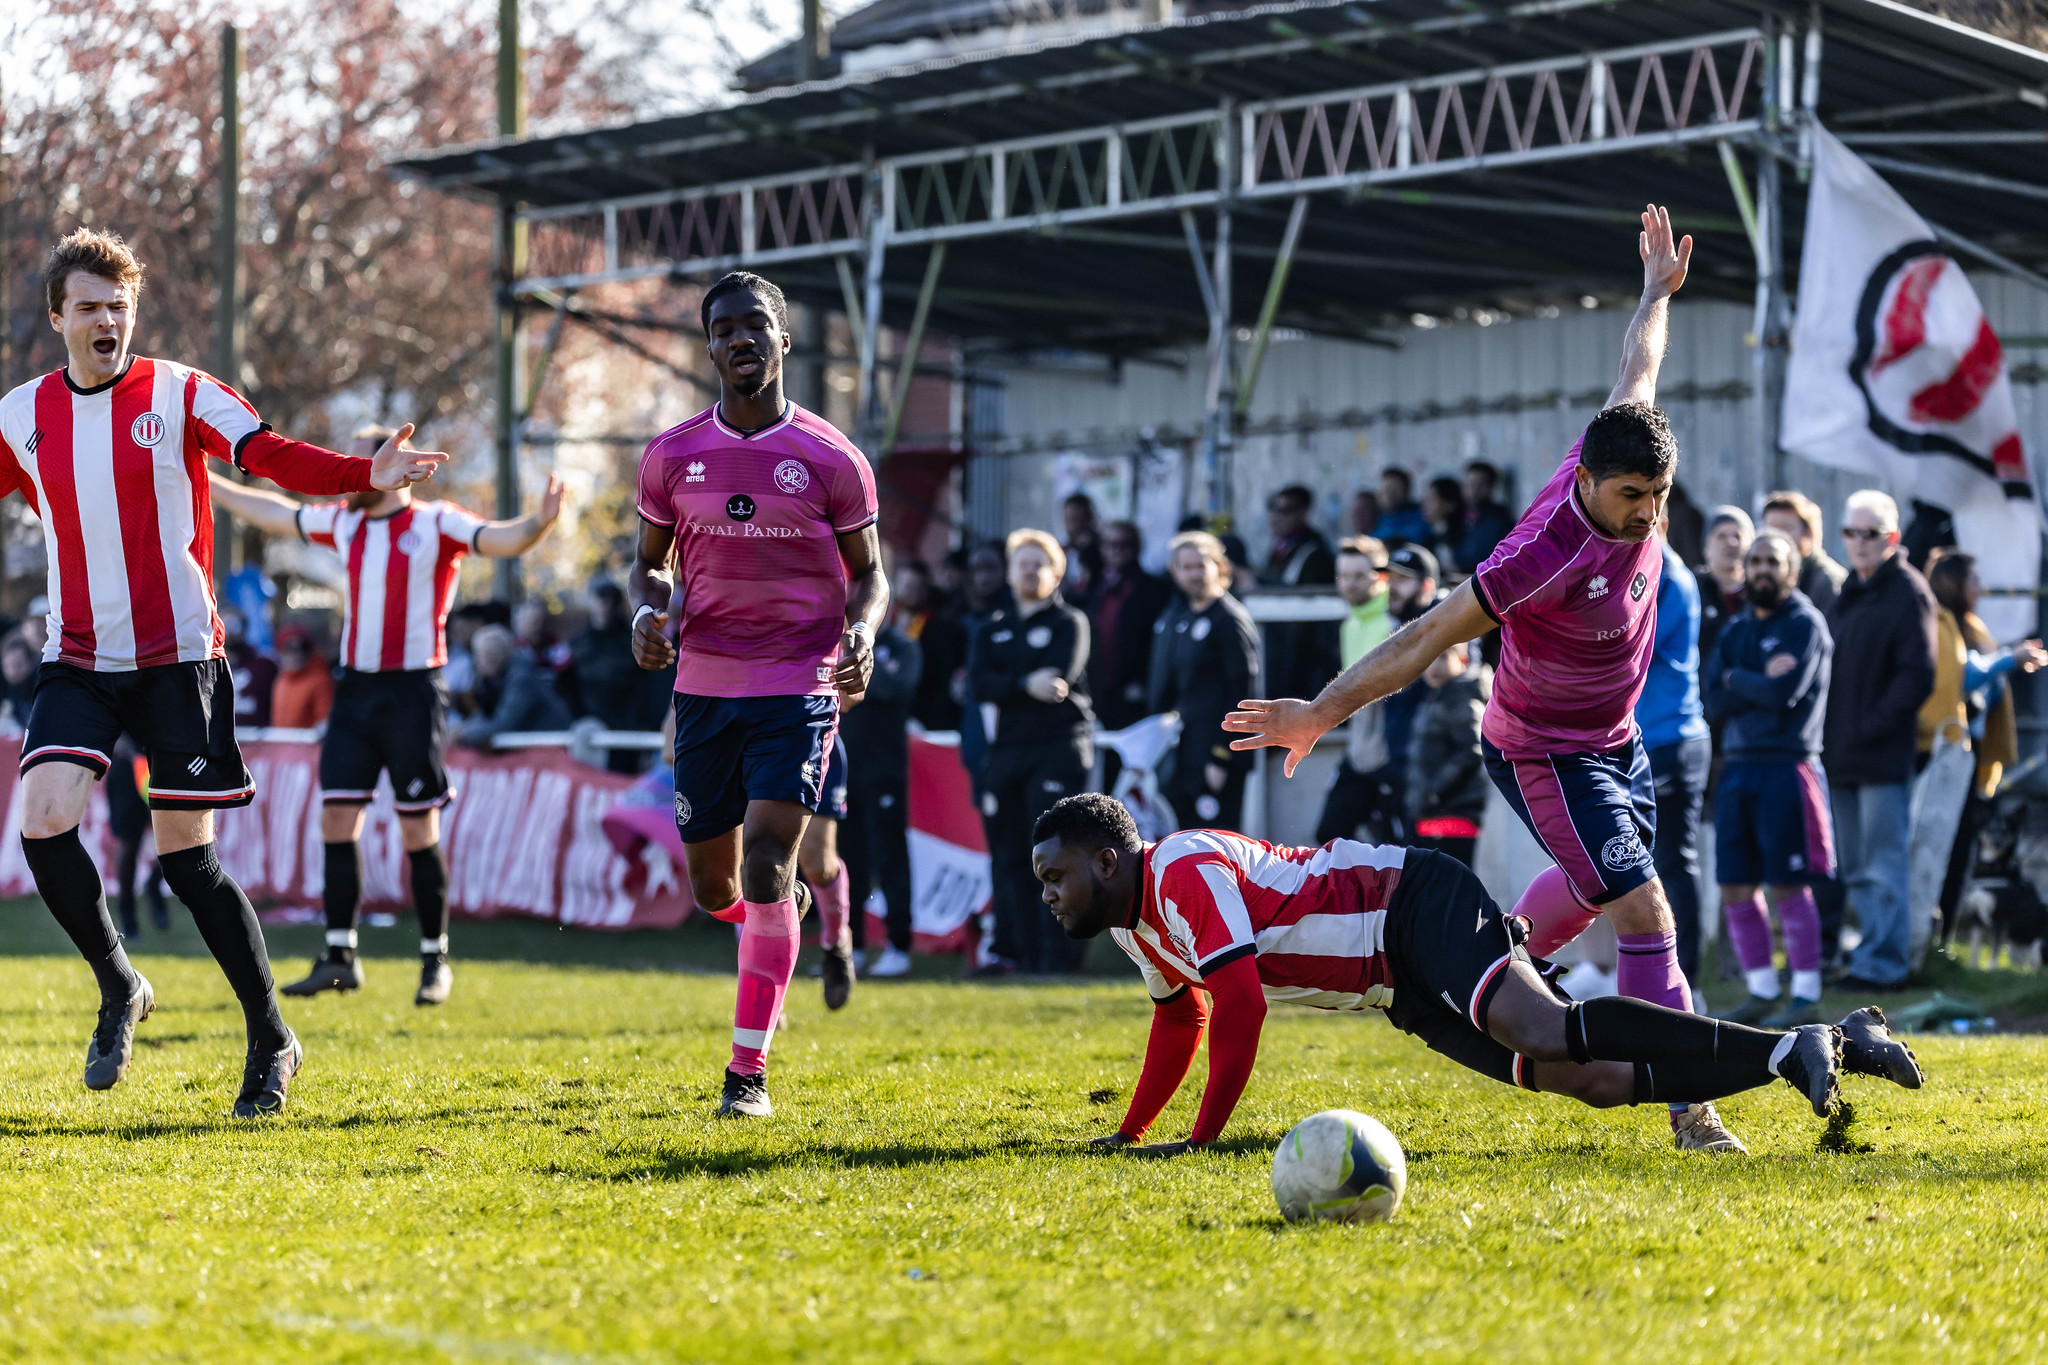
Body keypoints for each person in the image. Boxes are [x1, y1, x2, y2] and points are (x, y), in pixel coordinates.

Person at [1225, 207, 1754, 1152]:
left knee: (1596, 891)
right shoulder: (1538, 555)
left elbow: (1638, 366)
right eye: (1632, 497)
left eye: (1660, 499)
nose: (1648, 516)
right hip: (1544, 750)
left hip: (1617, 739)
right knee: (1644, 902)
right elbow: (1425, 637)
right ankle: (1688, 1099)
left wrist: (1651, 295)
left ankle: (1493, 962)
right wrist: (1322, 710)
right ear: (1587, 479)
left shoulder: (1626, 444)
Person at [0, 226, 448, 1115]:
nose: (107, 320)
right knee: (43, 820)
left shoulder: (183, 392)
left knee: (185, 861)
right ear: (58, 317)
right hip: (80, 657)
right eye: (89, 306)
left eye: (118, 305)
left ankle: (271, 1033)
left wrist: (366, 470)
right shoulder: (20, 416)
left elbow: (272, 454)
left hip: (181, 661)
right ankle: (120, 982)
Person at [1030, 794, 1922, 1155]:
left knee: (1539, 1027)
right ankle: (1824, 1042)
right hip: (1395, 985)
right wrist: (1131, 1131)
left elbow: (1239, 1003)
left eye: (1056, 876)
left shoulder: (1180, 870)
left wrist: (1200, 1141)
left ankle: (1800, 1042)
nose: (1049, 896)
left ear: (1109, 859)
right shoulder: (1138, 925)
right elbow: (1177, 1021)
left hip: (1411, 903)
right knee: (1594, 1081)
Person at [629, 270, 886, 1118]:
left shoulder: (831, 457)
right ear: (709, 346)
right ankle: (777, 919)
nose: (742, 339)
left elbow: (872, 576)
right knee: (715, 888)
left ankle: (748, 1077)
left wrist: (864, 634)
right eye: (725, 328)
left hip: (798, 685)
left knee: (772, 864)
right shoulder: (671, 455)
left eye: (757, 326)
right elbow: (650, 562)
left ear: (783, 340)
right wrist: (648, 609)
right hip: (703, 687)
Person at [210, 439, 565, 1006]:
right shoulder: (347, 523)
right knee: (336, 822)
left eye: (361, 462)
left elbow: (501, 539)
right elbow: (278, 513)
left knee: (417, 829)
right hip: (355, 694)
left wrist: (539, 524)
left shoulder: (436, 523)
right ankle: (339, 958)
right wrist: (210, 482)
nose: (350, 475)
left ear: (395, 467)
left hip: (413, 692)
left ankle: (434, 960)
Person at [1704, 530, 1836, 1028]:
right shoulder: (1735, 630)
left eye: (1772, 561)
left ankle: (1805, 995)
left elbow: (1786, 694)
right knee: (1736, 884)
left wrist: (1739, 678)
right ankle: (1761, 990)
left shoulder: (1806, 625)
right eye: (1754, 560)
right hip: (1737, 768)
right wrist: (1752, 679)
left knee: (1788, 884)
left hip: (1787, 765)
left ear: (1792, 570)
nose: (1760, 569)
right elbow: (1713, 701)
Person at [1825, 490, 1937, 992]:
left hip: (1882, 755)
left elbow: (1919, 677)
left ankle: (1887, 966)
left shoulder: (1908, 591)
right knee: (1854, 866)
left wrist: (1870, 727)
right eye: (1851, 532)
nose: (1860, 543)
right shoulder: (1851, 589)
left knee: (1883, 863)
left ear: (1892, 538)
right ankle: (1870, 957)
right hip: (1841, 756)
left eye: (1870, 534)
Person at [969, 528, 1093, 976]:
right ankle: (1011, 953)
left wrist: (1009, 686)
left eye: (1040, 562)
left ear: (1057, 572)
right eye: (1022, 562)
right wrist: (1023, 684)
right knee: (1007, 855)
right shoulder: (992, 628)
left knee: (1055, 856)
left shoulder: (1070, 623)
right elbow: (978, 683)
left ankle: (1057, 957)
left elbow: (1058, 681)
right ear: (1009, 570)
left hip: (1057, 749)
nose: (1030, 570)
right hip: (1006, 754)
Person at [1919, 549, 2048, 943]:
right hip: (1940, 753)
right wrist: (2009, 660)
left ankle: (1941, 942)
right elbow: (1960, 678)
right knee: (1938, 847)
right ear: (1954, 584)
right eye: (1973, 581)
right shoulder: (1936, 627)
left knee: (1961, 850)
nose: (1980, 589)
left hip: (1970, 752)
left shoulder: (1973, 628)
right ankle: (1927, 936)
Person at [1635, 511, 1711, 986]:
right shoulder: (1652, 574)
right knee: (1642, 862)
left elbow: (1629, 643)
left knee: (1673, 862)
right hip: (1648, 738)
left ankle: (1689, 981)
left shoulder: (1670, 578)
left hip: (1672, 739)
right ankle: (1655, 974)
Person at [826, 615, 922, 983]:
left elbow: (898, 687)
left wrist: (853, 668)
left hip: (885, 773)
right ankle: (852, 946)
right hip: (843, 772)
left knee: (890, 858)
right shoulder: (831, 646)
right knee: (848, 863)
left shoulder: (903, 647)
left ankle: (899, 946)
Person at [1151, 531, 1260, 835]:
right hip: (1185, 753)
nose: (1194, 574)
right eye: (1186, 567)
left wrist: (1221, 757)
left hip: (1216, 757)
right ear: (1175, 572)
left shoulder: (1230, 618)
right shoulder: (1180, 618)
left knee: (1218, 846)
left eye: (1201, 565)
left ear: (1219, 567)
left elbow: (1243, 693)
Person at [1314, 537, 1401, 845]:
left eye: (1358, 576)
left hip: (1391, 750)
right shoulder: (1349, 623)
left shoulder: (1395, 620)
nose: (1348, 584)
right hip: (1360, 747)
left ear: (1380, 577)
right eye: (1343, 576)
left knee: (1397, 845)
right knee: (1330, 834)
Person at [561, 581, 663, 772]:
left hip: (628, 736)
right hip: (588, 733)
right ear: (591, 602)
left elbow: (647, 690)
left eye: (611, 599)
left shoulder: (636, 643)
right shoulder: (577, 645)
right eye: (601, 597)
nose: (605, 604)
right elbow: (567, 688)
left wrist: (644, 733)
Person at [1405, 641, 1489, 866]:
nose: (1434, 666)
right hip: (1431, 814)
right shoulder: (1435, 697)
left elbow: (1473, 751)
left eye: (1443, 657)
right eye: (1429, 659)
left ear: (1462, 660)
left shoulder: (1461, 697)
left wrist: (1435, 791)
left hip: (1453, 815)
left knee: (1450, 889)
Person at [1085, 520, 1173, 733]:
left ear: (1136, 547)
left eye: (1123, 545)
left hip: (1133, 695)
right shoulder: (1093, 588)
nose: (1116, 551)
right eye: (1110, 545)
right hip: (1097, 692)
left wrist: (1142, 684)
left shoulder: (1153, 590)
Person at [1257, 485, 1338, 702]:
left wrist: (1258, 582)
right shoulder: (1280, 548)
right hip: (1279, 650)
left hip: (1304, 654)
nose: (1277, 517)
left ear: (1303, 512)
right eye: (1274, 510)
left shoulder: (1314, 551)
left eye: (1286, 511)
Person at [893, 559, 966, 732]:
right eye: (905, 585)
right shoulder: (882, 625)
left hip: (925, 721)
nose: (909, 592)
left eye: (916, 587)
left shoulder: (942, 631)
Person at [1761, 490, 1847, 616]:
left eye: (1785, 528)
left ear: (1809, 533)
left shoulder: (1829, 582)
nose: (1776, 536)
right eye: (1770, 529)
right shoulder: (1766, 575)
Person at [1697, 505, 1750, 666]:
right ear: (1707, 547)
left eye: (1738, 536)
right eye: (1721, 536)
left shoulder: (1760, 595)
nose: (1731, 542)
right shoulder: (1694, 591)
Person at [269, 624, 334, 729]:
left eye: (303, 648)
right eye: (289, 648)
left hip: (308, 744)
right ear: (280, 651)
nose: (296, 655)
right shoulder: (281, 679)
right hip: (281, 744)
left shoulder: (321, 681)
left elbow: (324, 724)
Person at [222, 607, 277, 729]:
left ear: (244, 629)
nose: (230, 633)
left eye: (235, 626)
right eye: (225, 626)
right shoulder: (208, 668)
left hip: (258, 741)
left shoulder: (264, 666)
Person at [1460, 460, 1515, 570]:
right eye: (1470, 484)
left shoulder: (1500, 519)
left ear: (1491, 487)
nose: (1474, 490)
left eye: (1480, 485)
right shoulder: (1455, 514)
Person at [1372, 468, 1431, 546]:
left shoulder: (1423, 515)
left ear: (1406, 491)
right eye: (1385, 490)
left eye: (1394, 490)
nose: (1389, 495)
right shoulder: (1377, 517)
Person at [1420, 475, 1466, 573]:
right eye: (1426, 498)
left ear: (1450, 504)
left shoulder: (1465, 536)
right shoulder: (1428, 536)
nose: (1425, 503)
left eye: (1432, 499)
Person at [1061, 492, 1103, 600]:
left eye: (1079, 519)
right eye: (1069, 520)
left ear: (1090, 519)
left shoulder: (1102, 551)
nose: (1075, 525)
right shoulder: (1063, 551)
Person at [0, 630, 38, 732]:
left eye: (17, 665)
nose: (12, 671)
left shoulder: (41, 687)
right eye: (7, 666)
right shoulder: (12, 687)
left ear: (31, 664)